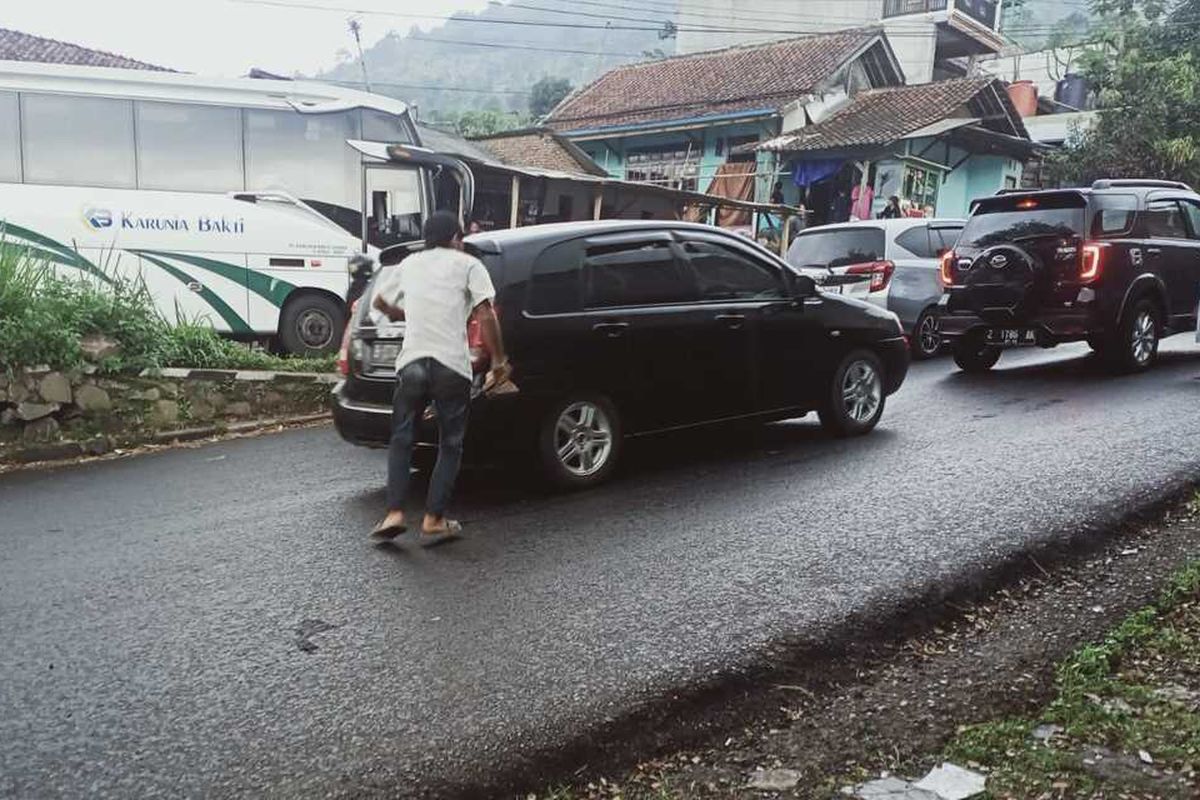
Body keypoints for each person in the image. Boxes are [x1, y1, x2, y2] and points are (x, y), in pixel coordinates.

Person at [370, 211, 511, 542]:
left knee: (402, 438)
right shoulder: (468, 265)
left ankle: (394, 513)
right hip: (450, 366)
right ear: (455, 238)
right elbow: (485, 313)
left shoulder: (409, 264)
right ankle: (434, 519)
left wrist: (410, 314)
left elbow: (379, 301)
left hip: (413, 363)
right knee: (450, 443)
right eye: (460, 238)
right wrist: (499, 360)